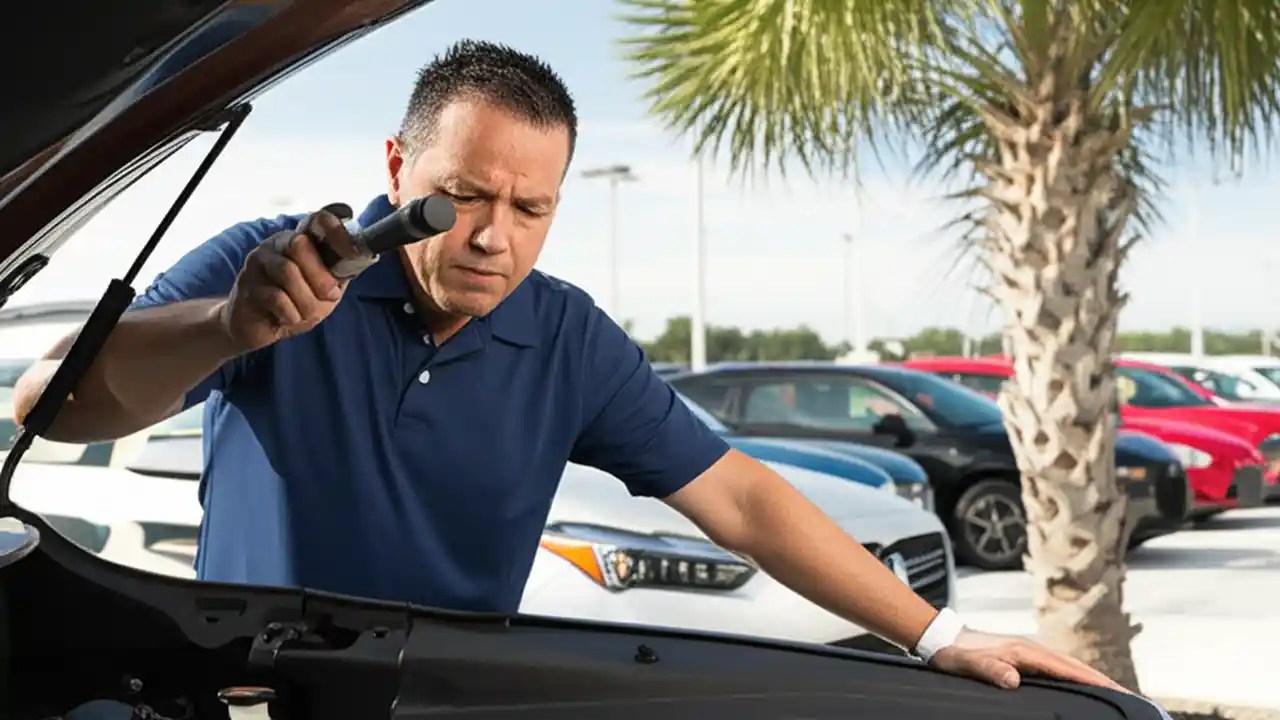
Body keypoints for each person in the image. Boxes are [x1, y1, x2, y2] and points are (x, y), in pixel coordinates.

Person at [13, 39, 1123, 694]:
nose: (495, 236)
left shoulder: (569, 338)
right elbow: (50, 410)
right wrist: (227, 329)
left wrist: (935, 633)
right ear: (398, 165)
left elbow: (737, 498)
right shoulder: (267, 266)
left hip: (448, 703)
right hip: (246, 698)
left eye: (531, 207)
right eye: (464, 197)